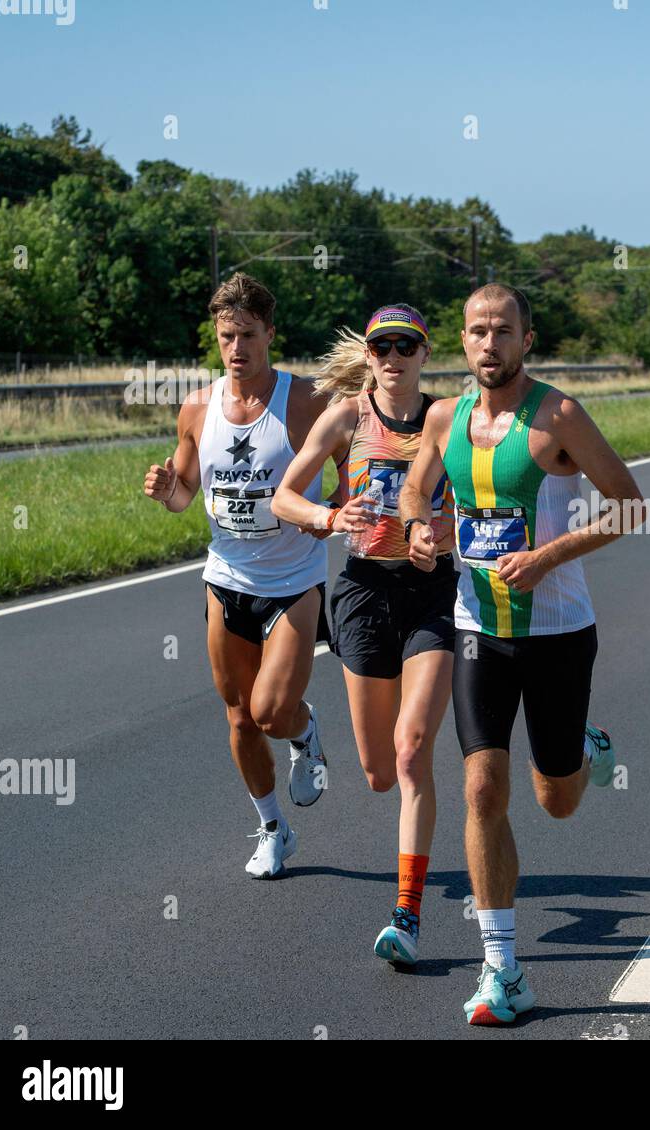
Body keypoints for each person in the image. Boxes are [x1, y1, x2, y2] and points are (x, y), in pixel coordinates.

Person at [401, 283, 642, 1025]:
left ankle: (579, 748)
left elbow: (632, 504)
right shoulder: (444, 418)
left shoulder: (559, 416)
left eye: (502, 331)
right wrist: (419, 531)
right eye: (476, 331)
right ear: (463, 340)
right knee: (481, 790)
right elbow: (415, 493)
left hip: (559, 632)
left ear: (526, 340)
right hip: (478, 628)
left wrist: (549, 554)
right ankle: (503, 968)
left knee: (557, 800)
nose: (488, 344)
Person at [272, 303, 457, 965]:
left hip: (432, 594)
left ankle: (406, 915)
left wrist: (444, 534)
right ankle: (315, 731)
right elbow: (283, 498)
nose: (393, 357)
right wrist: (328, 514)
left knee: (412, 755)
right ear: (371, 355)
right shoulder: (349, 416)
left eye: (406, 345)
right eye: (383, 346)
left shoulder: (447, 419)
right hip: (362, 593)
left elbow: (484, 506)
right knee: (379, 773)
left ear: (424, 354)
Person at [142, 272, 334, 879]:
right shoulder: (197, 407)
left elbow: (350, 469)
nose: (236, 349)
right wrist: (166, 490)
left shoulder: (302, 402)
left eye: (248, 335)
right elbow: (184, 495)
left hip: (294, 581)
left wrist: (334, 514)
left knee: (274, 710)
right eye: (226, 336)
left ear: (270, 334)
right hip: (226, 578)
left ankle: (306, 734)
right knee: (239, 716)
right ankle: (274, 828)